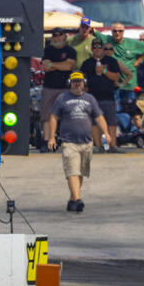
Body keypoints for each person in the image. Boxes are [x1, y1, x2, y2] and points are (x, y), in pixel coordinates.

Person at [47, 72, 108, 212]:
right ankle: (78, 199)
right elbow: (53, 117)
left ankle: (72, 200)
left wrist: (106, 132)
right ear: (70, 83)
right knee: (72, 171)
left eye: (79, 81)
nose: (77, 84)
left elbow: (99, 117)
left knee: (80, 172)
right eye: (74, 81)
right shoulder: (62, 98)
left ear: (84, 83)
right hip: (69, 142)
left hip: (86, 142)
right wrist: (51, 137)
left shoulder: (90, 99)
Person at [80, 39, 121, 150]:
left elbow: (117, 77)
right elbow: (82, 80)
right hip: (92, 98)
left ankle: (112, 145)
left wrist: (104, 72)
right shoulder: (86, 63)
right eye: (95, 47)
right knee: (94, 123)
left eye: (100, 47)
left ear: (103, 48)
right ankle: (98, 146)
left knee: (111, 122)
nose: (97, 49)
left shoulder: (111, 61)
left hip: (108, 97)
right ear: (91, 49)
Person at [39, 27, 77, 145]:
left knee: (68, 114)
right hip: (49, 87)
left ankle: (67, 139)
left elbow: (69, 66)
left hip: (65, 87)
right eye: (54, 35)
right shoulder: (47, 50)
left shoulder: (71, 50)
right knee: (46, 115)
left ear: (65, 36)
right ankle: (47, 141)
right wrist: (60, 65)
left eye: (59, 35)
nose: (57, 37)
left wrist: (52, 64)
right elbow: (45, 67)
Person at [106, 22, 144, 108]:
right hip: (118, 84)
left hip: (135, 86)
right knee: (119, 109)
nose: (142, 42)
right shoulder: (108, 42)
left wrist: (139, 61)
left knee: (131, 110)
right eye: (141, 40)